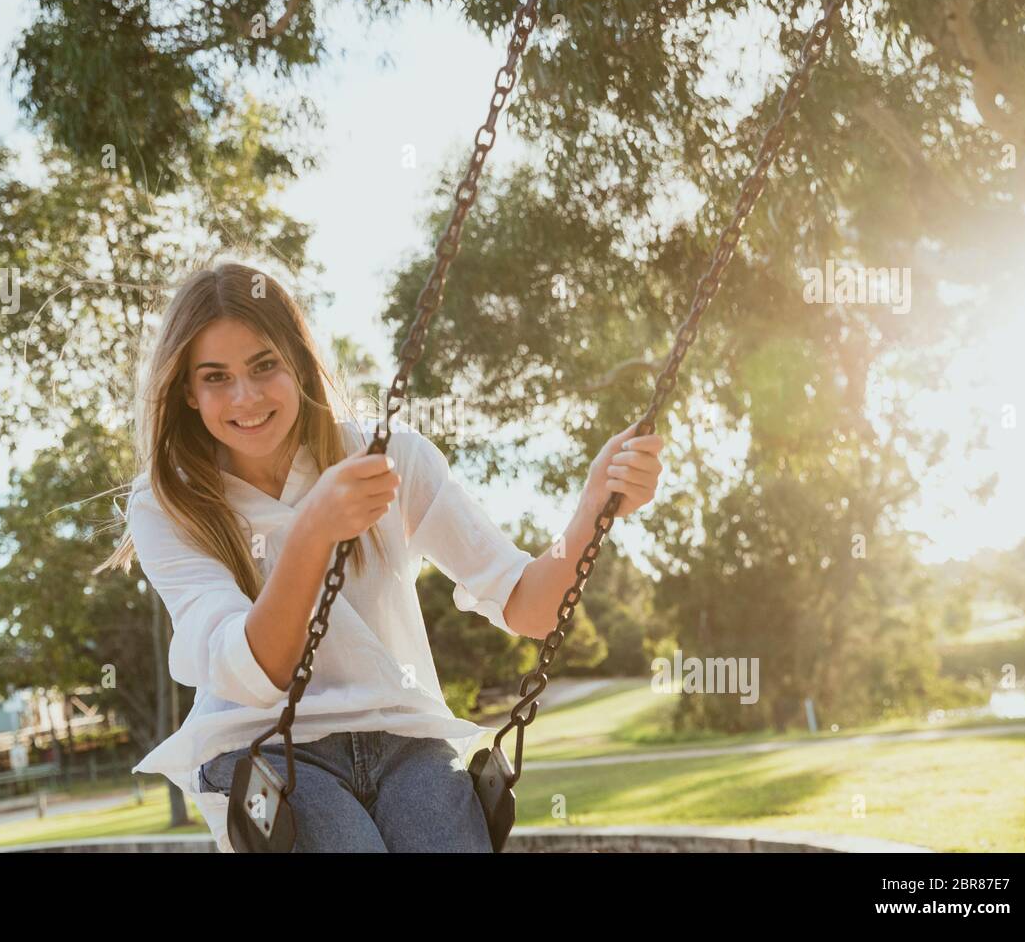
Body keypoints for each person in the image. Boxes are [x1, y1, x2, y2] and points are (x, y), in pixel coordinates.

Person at [97, 260, 664, 852]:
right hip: (261, 746)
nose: (245, 396)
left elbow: (529, 606)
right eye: (216, 377)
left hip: (404, 739)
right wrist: (314, 530)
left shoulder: (390, 458)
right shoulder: (171, 503)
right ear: (188, 391)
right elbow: (258, 674)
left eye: (264, 365)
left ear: (298, 362)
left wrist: (593, 510)